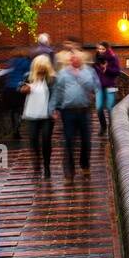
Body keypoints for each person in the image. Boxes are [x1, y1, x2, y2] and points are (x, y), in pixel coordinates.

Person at [50, 50, 98, 182]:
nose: (74, 60)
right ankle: (69, 172)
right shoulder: (63, 73)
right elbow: (57, 91)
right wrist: (54, 108)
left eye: (76, 58)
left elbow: (94, 86)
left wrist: (80, 77)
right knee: (68, 141)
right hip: (68, 112)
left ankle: (85, 165)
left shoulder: (89, 72)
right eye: (72, 58)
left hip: (84, 110)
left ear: (81, 60)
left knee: (86, 141)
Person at [21, 54, 56, 177]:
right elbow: (20, 88)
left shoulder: (51, 79)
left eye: (43, 67)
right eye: (39, 67)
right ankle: (36, 162)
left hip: (47, 115)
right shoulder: (28, 77)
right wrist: (24, 89)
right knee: (33, 140)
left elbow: (56, 95)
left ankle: (47, 167)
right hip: (31, 114)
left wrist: (56, 110)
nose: (41, 69)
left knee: (46, 140)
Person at [4, 47, 32, 140]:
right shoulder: (26, 62)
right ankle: (17, 128)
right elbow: (28, 75)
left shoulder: (11, 61)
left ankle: (14, 128)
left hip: (9, 88)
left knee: (12, 110)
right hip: (19, 88)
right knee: (20, 109)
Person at [94, 41, 121, 136]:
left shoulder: (113, 58)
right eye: (99, 49)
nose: (101, 51)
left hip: (110, 85)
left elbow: (117, 71)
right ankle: (103, 126)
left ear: (107, 49)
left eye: (103, 49)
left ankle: (112, 128)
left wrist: (107, 69)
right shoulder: (96, 58)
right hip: (99, 86)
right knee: (99, 107)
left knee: (110, 108)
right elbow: (94, 73)